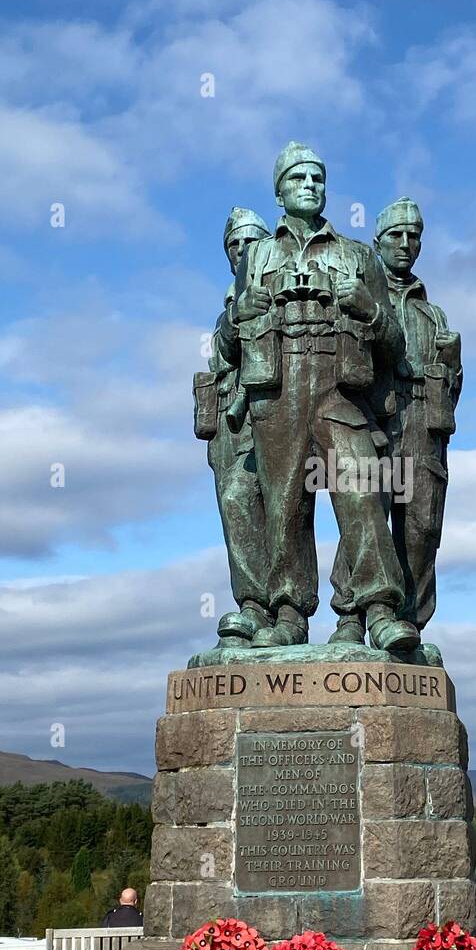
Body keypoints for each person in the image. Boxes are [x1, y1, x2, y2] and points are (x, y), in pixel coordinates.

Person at [226, 142, 417, 653]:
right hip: (277, 392)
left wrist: (370, 310)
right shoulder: (257, 256)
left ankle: (378, 610)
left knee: (361, 490)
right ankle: (289, 614)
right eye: (298, 178)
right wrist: (240, 313)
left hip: (339, 390)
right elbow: (226, 346)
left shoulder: (357, 255)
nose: (309, 186)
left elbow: (395, 344)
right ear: (279, 192)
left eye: (317, 178)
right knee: (284, 508)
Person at [330, 198, 461, 641]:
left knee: (423, 526)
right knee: (366, 511)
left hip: (424, 423)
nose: (406, 243)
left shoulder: (432, 313)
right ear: (377, 242)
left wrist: (452, 363)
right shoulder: (360, 296)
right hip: (377, 416)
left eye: (414, 236)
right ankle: (352, 616)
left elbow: (454, 387)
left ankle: (407, 623)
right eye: (396, 235)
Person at [193, 207, 272, 644]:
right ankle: (254, 607)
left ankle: (279, 607)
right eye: (233, 244)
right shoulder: (230, 301)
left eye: (249, 241)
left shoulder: (275, 289)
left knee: (266, 506)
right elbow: (221, 354)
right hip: (228, 419)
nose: (241, 250)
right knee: (235, 508)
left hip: (271, 410)